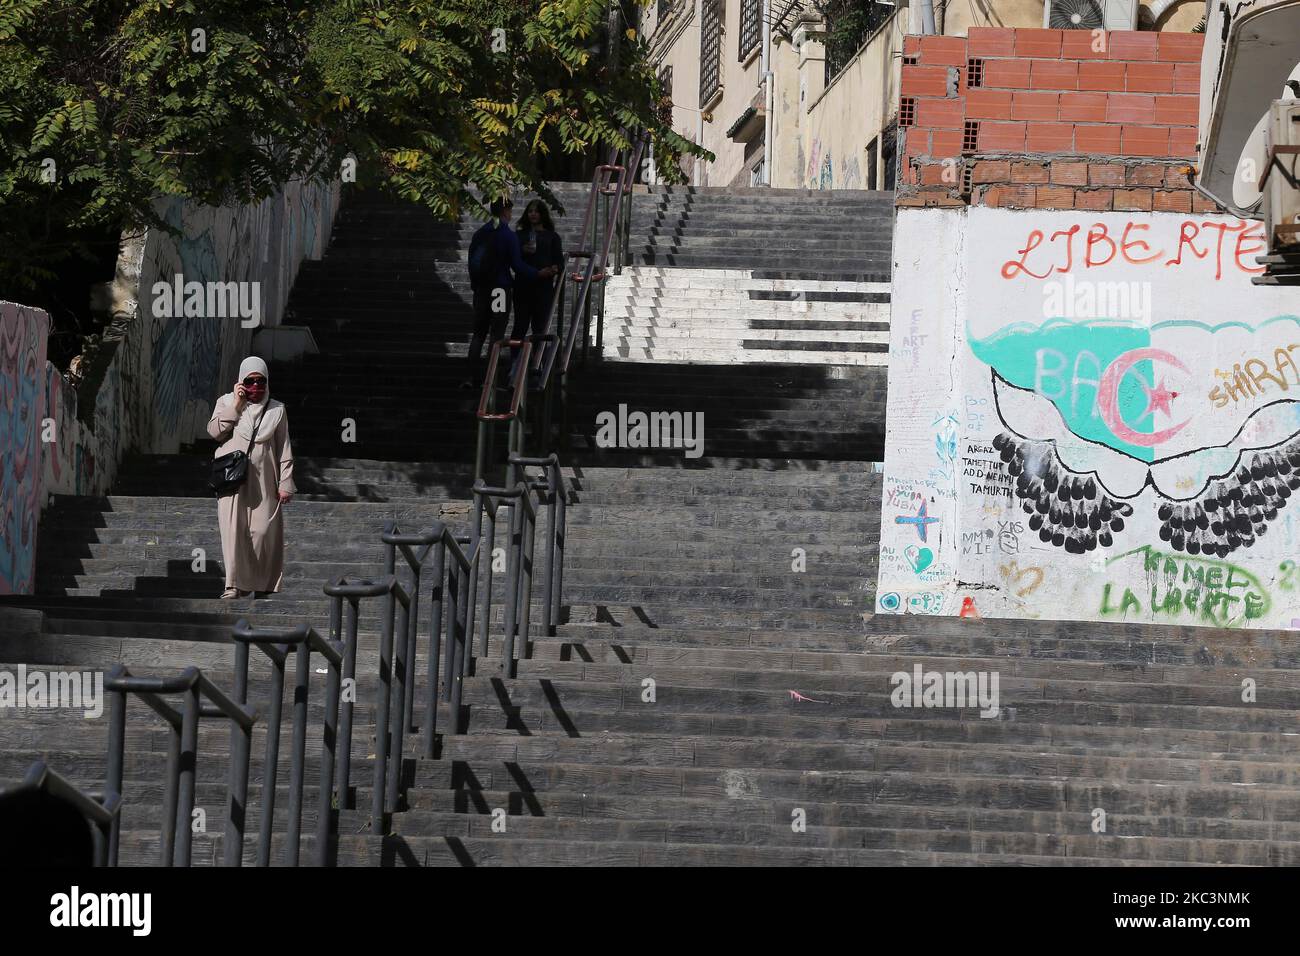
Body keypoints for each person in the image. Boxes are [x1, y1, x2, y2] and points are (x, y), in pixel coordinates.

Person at [206, 357, 296, 599]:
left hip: (265, 480)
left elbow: (283, 446)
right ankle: (233, 585)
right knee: (233, 531)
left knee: (263, 531)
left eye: (261, 381)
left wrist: (285, 482)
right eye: (250, 380)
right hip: (232, 479)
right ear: (241, 381)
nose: (256, 385)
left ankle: (260, 582)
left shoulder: (277, 409)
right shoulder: (226, 402)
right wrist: (236, 404)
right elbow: (214, 432)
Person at [463, 196, 557, 388]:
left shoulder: (480, 233)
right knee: (497, 334)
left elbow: (472, 261)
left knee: (478, 333)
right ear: (506, 211)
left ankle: (469, 377)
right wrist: (537, 273)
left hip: (481, 289)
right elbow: (517, 265)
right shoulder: (507, 235)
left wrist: (475, 285)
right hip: (500, 289)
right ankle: (490, 380)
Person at [512, 199, 565, 380]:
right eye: (530, 211)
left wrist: (552, 270)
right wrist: (522, 251)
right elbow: (512, 258)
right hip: (523, 287)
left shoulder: (552, 237)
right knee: (520, 326)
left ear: (542, 214)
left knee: (540, 328)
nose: (533, 214)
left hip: (543, 289)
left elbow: (560, 263)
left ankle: (538, 365)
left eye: (536, 211)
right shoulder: (519, 236)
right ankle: (515, 366)